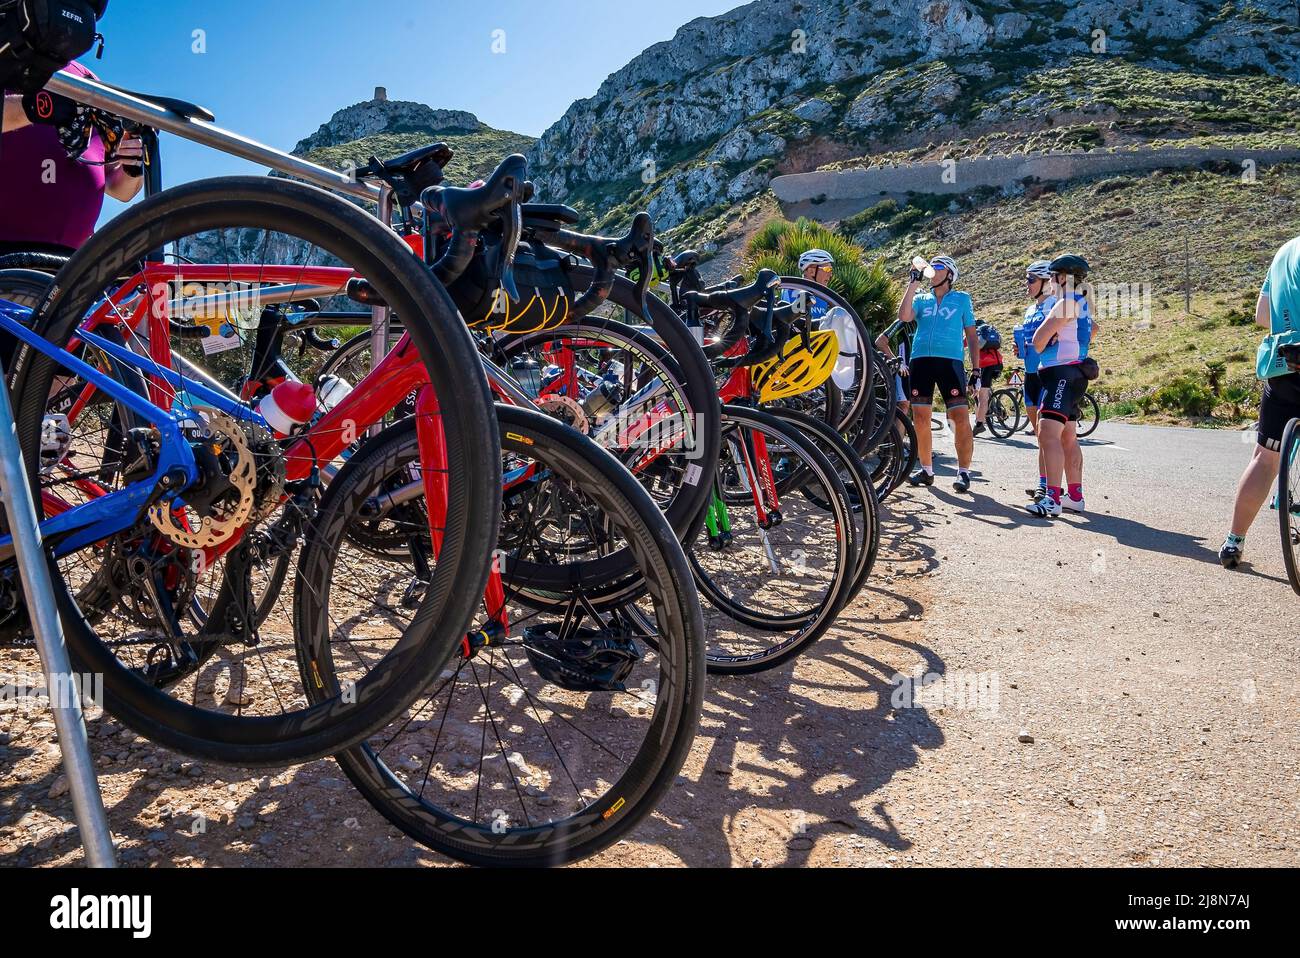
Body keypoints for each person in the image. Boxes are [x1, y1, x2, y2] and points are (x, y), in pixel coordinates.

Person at [0, 60, 144, 256]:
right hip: (7, 256)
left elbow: (119, 189)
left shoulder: (88, 81)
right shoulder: (7, 56)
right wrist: (35, 107)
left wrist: (132, 168)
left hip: (73, 262)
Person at [1219, 235, 1300, 568]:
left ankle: (1233, 542)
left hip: (1284, 365)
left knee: (1264, 459)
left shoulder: (1284, 252)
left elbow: (1262, 314)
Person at [885, 254, 979, 492]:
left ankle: (964, 472)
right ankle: (926, 470)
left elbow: (972, 335)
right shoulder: (921, 298)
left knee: (959, 418)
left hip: (950, 362)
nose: (931, 269)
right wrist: (913, 283)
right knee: (921, 418)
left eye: (937, 266)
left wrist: (977, 370)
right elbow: (904, 317)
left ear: (949, 274)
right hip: (921, 361)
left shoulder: (961, 299)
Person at [1026, 254, 1097, 517]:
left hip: (1060, 375)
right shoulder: (1082, 302)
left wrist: (1053, 337)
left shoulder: (1065, 302)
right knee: (1068, 436)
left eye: (1053, 277)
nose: (1051, 283)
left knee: (1047, 435)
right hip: (1074, 373)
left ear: (1061, 277)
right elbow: (1094, 329)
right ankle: (1074, 497)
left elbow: (1037, 339)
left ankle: (1052, 499)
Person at [1014, 260, 1055, 498]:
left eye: (1031, 279)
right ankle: (1045, 482)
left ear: (1045, 282)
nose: (1026, 284)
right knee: (1039, 435)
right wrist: (1019, 349)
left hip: (1048, 372)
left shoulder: (1054, 306)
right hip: (1030, 373)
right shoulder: (1031, 310)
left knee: (1046, 432)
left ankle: (1046, 485)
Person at [971, 321, 1004, 435]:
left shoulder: (975, 333)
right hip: (998, 363)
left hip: (986, 365)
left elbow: (963, 343)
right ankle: (993, 408)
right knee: (985, 390)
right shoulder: (990, 335)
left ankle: (979, 424)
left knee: (982, 397)